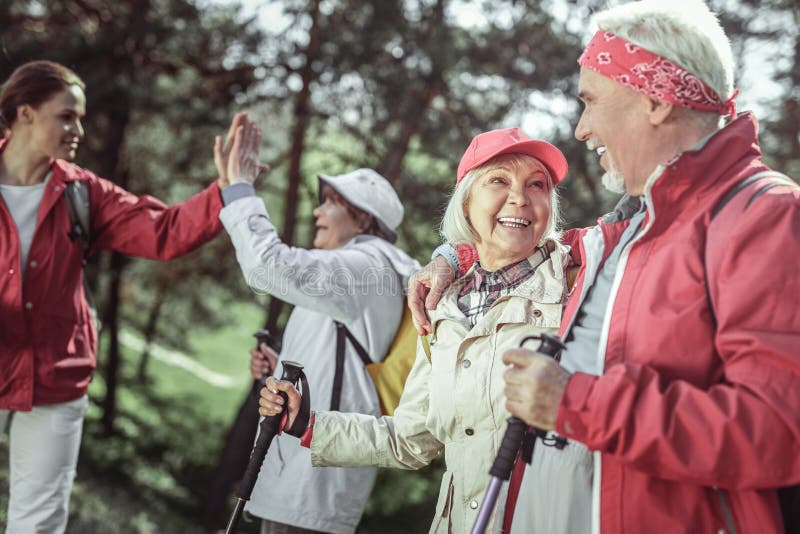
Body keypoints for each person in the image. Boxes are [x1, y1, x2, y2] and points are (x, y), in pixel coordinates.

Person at [409, 1, 800, 532]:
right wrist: (452, 258)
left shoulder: (765, 215)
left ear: (654, 102)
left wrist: (575, 401)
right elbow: (512, 247)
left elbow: (776, 433)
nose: (582, 128)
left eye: (590, 101)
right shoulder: (629, 230)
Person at [257, 126, 573, 533]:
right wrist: (307, 424)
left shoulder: (577, 282)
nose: (520, 197)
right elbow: (410, 439)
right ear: (466, 202)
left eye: (537, 185)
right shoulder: (442, 306)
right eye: (499, 180)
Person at [0, 60, 232, 533]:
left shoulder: (82, 193)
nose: (78, 129)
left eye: (80, 117)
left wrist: (226, 192)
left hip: (55, 378)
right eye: (66, 116)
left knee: (38, 522)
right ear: (24, 114)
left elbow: (161, 231)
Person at [215, 115, 421, 534]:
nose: (316, 210)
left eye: (330, 202)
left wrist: (238, 189)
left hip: (310, 485)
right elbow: (339, 357)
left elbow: (265, 265)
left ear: (362, 219)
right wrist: (278, 365)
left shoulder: (364, 266)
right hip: (303, 480)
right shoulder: (359, 272)